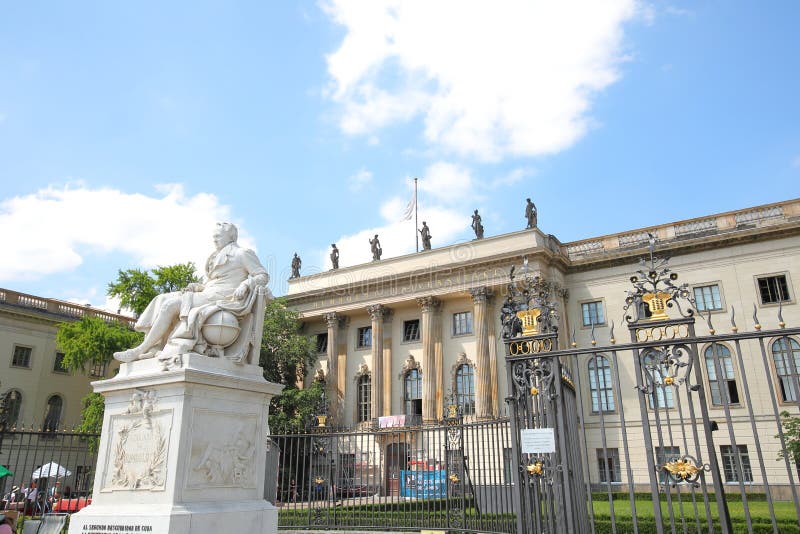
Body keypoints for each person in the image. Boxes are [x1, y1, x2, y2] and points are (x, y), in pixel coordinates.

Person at [114, 222, 270, 363]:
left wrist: (246, 283)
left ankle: (140, 350)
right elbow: (211, 282)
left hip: (223, 297)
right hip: (208, 293)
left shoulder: (242, 253)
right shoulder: (216, 256)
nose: (214, 240)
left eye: (218, 236)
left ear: (230, 236)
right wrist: (198, 286)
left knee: (171, 305)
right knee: (161, 298)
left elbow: (262, 275)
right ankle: (155, 348)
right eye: (214, 236)